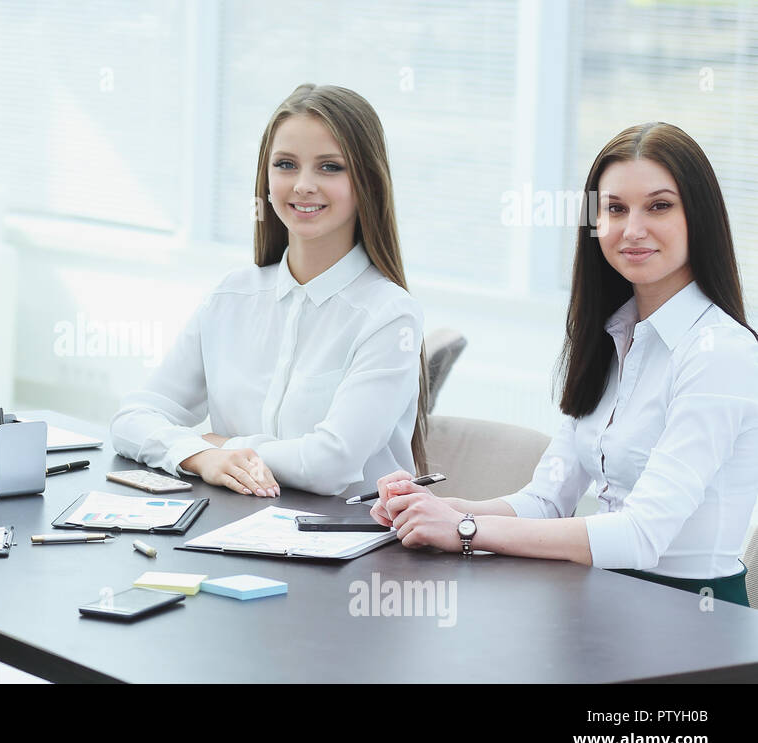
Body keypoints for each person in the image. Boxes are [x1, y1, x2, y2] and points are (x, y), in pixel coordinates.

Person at [372, 122, 758, 606]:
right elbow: (546, 502)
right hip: (600, 599)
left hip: (691, 620)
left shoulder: (719, 353)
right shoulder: (612, 335)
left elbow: (641, 535)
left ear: (698, 217)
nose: (632, 229)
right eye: (615, 209)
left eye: (659, 205)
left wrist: (467, 529)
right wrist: (435, 510)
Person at [110, 83, 428, 499]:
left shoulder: (389, 314)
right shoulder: (231, 297)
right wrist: (201, 456)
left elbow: (330, 465)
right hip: (234, 530)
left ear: (366, 180)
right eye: (286, 165)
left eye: (330, 167)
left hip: (344, 544)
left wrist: (224, 446)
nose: (303, 185)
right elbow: (132, 418)